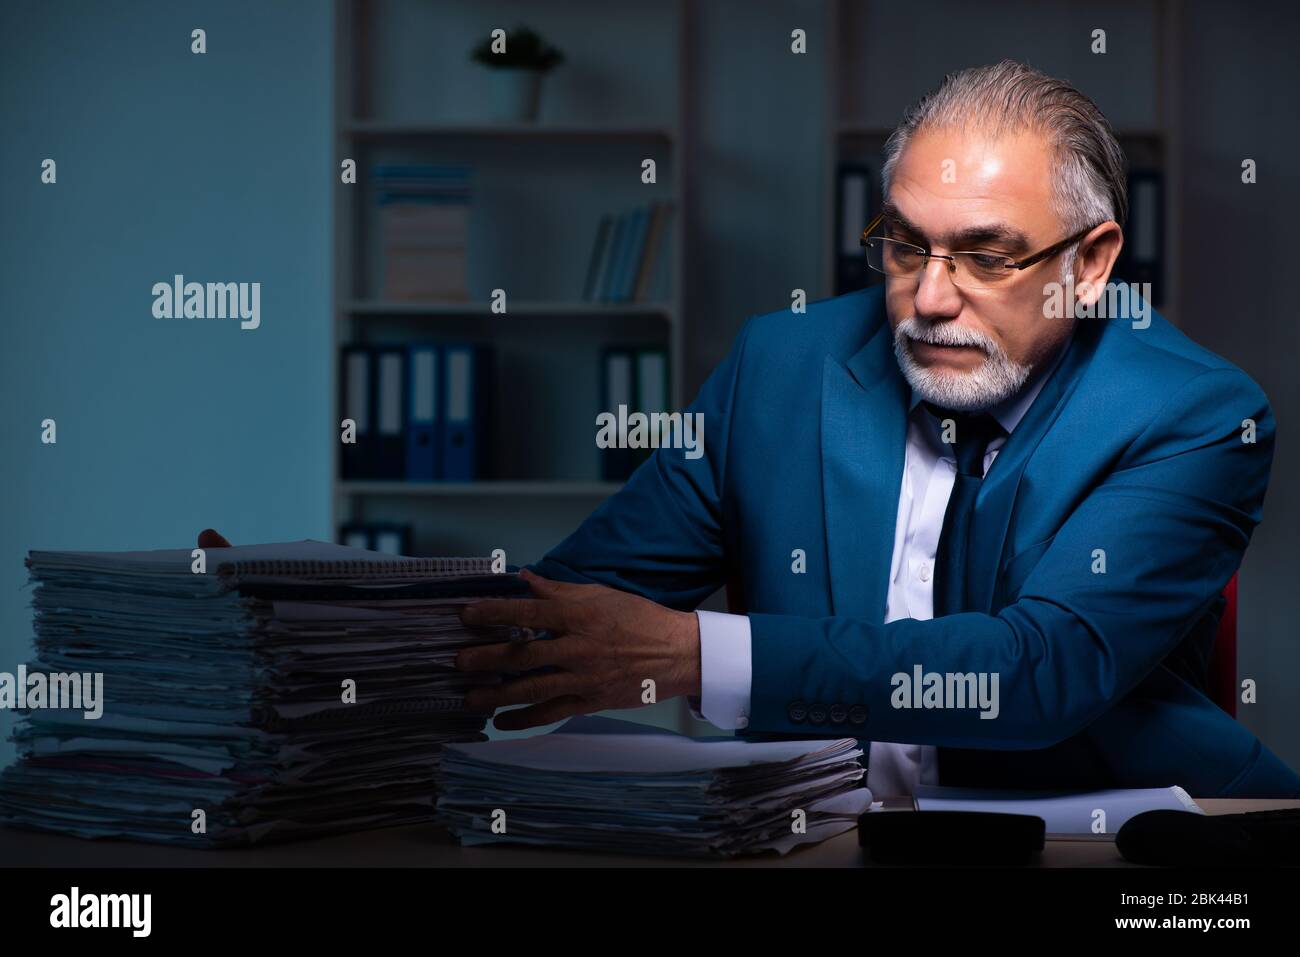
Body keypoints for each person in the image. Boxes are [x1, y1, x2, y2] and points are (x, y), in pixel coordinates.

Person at [203, 61, 1300, 798]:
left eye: (986, 254)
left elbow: (1039, 669)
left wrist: (697, 654)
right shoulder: (781, 368)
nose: (926, 297)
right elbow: (574, 607)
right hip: (795, 843)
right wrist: (302, 618)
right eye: (905, 245)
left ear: (1092, 262)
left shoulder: (1193, 413)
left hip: (1121, 848)